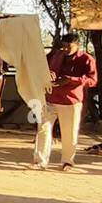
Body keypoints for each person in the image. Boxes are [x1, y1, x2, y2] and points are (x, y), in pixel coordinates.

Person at [34, 32, 97, 171]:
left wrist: (71, 80)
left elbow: (93, 80)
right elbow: (42, 66)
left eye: (69, 47)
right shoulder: (55, 55)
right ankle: (40, 161)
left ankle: (67, 162)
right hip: (50, 98)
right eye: (63, 47)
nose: (65, 50)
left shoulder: (86, 59)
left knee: (69, 133)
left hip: (71, 101)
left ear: (78, 45)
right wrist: (47, 74)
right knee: (43, 129)